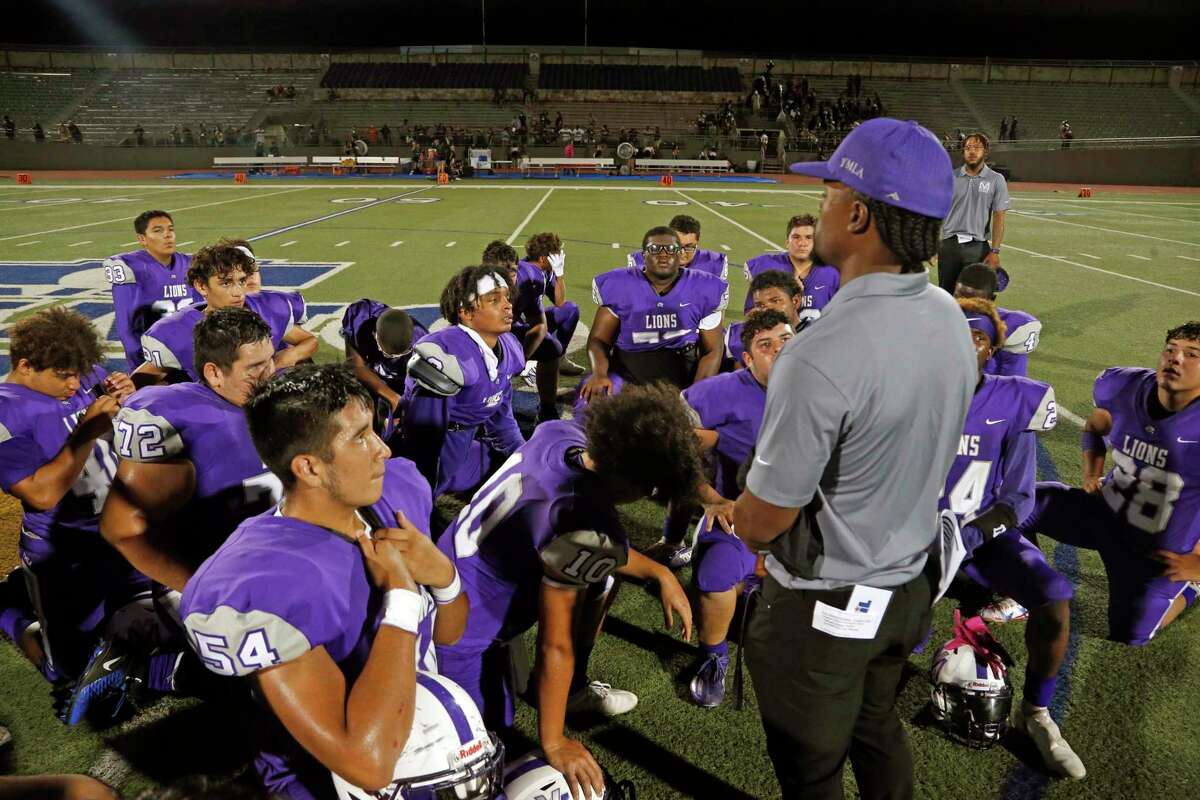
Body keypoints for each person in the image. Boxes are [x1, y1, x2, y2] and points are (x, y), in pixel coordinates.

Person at [733, 118, 976, 799]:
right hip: (907, 591)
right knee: (876, 731)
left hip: (825, 609)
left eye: (832, 191)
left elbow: (763, 520)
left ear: (861, 214)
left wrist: (730, 508)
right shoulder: (948, 316)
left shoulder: (822, 351)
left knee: (812, 772)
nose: (821, 206)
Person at [181, 364, 468, 799]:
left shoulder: (400, 489)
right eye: (359, 437)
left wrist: (444, 577)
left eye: (373, 430)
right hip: (325, 782)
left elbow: (450, 634)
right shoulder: (261, 587)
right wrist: (403, 597)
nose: (383, 451)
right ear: (310, 469)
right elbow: (366, 765)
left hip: (418, 735)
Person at [437, 384, 696, 800]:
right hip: (460, 634)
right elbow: (554, 645)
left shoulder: (559, 435)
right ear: (630, 478)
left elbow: (567, 534)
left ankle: (568, 692)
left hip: (448, 579)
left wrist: (656, 572)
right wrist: (554, 742)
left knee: (604, 577)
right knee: (480, 763)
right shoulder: (581, 522)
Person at [939, 298, 1084, 779]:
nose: (964, 347)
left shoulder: (1014, 399)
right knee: (895, 635)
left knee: (1055, 596)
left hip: (982, 535)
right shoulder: (910, 393)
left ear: (991, 348)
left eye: (977, 338)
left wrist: (972, 534)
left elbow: (1019, 499)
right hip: (916, 535)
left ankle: (1038, 713)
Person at [1017, 321, 1200, 647]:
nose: (1176, 359)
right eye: (1171, 350)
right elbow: (1097, 423)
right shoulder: (1124, 385)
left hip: (1154, 552)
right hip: (1105, 510)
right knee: (1014, 506)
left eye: (1192, 354)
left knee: (1131, 635)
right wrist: (1091, 471)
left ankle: (1191, 591)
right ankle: (1028, 586)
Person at [0, 308, 140, 686]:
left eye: (80, 372)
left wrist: (129, 393)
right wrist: (87, 430)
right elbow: (41, 494)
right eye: (64, 376)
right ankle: (9, 607)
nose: (76, 384)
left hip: (119, 528)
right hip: (64, 549)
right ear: (26, 366)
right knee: (70, 672)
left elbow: (122, 426)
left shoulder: (80, 373)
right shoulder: (5, 408)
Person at [101, 308, 282, 593]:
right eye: (255, 367)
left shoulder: (274, 405)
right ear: (213, 372)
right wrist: (201, 589)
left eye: (270, 359)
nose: (270, 372)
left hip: (272, 573)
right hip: (218, 596)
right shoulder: (183, 418)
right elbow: (123, 528)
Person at [683, 310, 794, 707]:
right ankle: (714, 657)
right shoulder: (724, 391)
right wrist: (708, 496)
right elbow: (668, 440)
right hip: (745, 516)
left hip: (809, 523)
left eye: (786, 339)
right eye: (766, 346)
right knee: (715, 571)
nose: (780, 350)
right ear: (747, 359)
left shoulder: (827, 386)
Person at [399, 265, 525, 497]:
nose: (508, 305)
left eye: (507, 297)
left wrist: (525, 457)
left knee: (514, 467)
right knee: (413, 500)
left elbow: (501, 418)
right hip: (436, 446)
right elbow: (421, 440)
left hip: (465, 442)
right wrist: (421, 494)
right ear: (466, 312)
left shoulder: (508, 347)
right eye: (494, 300)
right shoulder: (449, 355)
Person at [134, 243, 317, 385]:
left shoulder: (267, 308)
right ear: (201, 286)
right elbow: (142, 380)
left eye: (242, 281)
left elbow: (309, 341)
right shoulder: (179, 332)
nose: (238, 292)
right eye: (226, 283)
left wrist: (288, 357)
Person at [581, 226, 727, 399]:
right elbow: (599, 340)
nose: (663, 254)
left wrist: (696, 393)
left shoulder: (703, 288)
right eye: (655, 249)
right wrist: (599, 374)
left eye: (671, 249)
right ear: (643, 255)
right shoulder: (620, 285)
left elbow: (713, 350)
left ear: (679, 254)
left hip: (681, 370)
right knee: (590, 401)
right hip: (628, 367)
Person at [105, 210, 201, 368]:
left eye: (171, 229)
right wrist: (143, 366)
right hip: (154, 360)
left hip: (190, 354)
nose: (168, 235)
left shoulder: (191, 264)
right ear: (142, 239)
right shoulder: (133, 269)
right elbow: (126, 328)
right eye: (158, 231)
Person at [511, 233, 584, 422]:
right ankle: (546, 406)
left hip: (529, 321)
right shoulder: (528, 275)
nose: (560, 255)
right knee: (550, 348)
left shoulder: (543, 269)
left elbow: (560, 302)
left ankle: (559, 360)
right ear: (544, 258)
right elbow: (526, 317)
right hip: (510, 327)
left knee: (570, 310)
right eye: (557, 252)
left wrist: (559, 275)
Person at [937, 132, 1010, 295]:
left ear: (985, 151)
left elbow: (999, 218)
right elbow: (936, 211)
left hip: (977, 247)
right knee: (946, 295)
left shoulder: (996, 180)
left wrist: (995, 251)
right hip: (949, 245)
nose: (972, 151)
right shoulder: (950, 178)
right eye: (968, 147)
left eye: (977, 147)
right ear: (963, 152)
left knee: (976, 298)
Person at [341, 299, 427, 420]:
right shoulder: (361, 318)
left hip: (404, 383)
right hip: (369, 375)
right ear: (375, 335)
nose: (394, 358)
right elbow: (354, 365)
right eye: (390, 355)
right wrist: (391, 396)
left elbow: (420, 390)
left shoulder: (422, 344)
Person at [954, 262, 1042, 377]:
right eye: (959, 297)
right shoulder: (943, 314)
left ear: (991, 300)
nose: (965, 304)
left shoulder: (1009, 329)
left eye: (975, 301)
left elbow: (1010, 382)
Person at [742, 214, 839, 317]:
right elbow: (750, 315)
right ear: (787, 242)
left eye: (809, 238)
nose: (802, 243)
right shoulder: (767, 266)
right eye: (796, 237)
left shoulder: (832, 272)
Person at [725, 270, 803, 369]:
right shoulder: (739, 333)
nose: (767, 309)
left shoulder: (817, 334)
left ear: (795, 301)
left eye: (776, 301)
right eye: (760, 305)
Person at [627, 215, 729, 283]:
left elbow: (718, 311)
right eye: (677, 246)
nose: (682, 252)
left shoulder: (715, 263)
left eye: (689, 247)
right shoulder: (642, 261)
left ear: (697, 243)